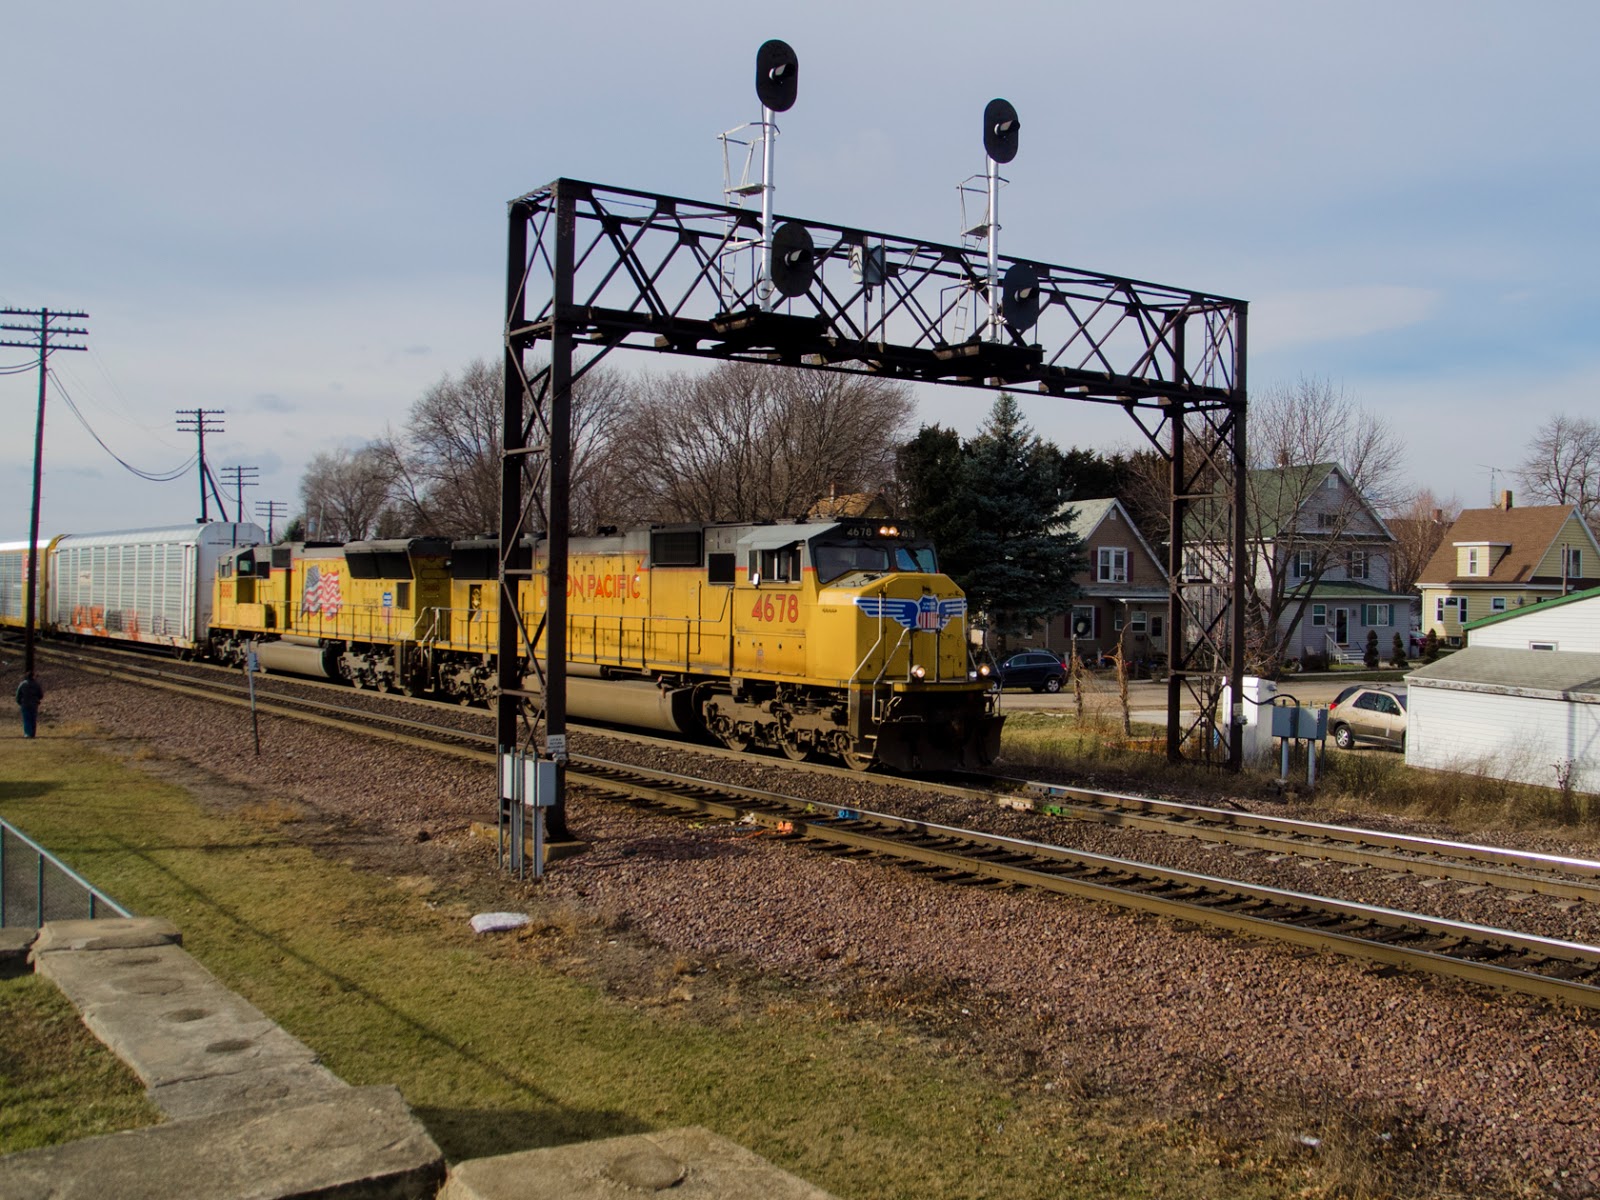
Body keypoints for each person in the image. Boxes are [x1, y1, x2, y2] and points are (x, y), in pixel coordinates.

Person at [15, 671, 43, 738]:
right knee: (33, 719)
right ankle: (33, 734)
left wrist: (19, 702)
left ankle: (27, 733)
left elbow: (18, 694)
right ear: (33, 677)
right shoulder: (36, 684)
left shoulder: (22, 684)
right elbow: (41, 695)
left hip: (25, 704)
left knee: (26, 719)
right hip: (34, 704)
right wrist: (37, 699)